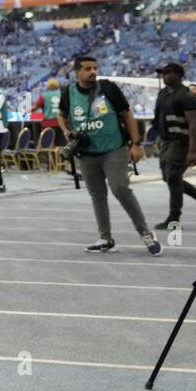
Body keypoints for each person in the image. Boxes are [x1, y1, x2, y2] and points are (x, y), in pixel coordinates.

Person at [57, 55, 161, 255]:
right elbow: (61, 114)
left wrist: (136, 144)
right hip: (86, 153)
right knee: (97, 195)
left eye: (95, 68)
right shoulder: (68, 92)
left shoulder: (108, 88)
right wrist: (66, 131)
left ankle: (145, 232)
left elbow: (127, 114)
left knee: (120, 189)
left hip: (114, 148)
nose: (93, 72)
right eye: (87, 68)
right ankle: (105, 238)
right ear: (77, 72)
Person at [152, 62, 196, 230]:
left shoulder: (186, 96)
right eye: (163, 73)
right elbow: (159, 118)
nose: (164, 76)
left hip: (180, 142)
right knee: (170, 178)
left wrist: (192, 151)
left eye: (168, 73)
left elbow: (193, 124)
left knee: (173, 178)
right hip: (166, 142)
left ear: (178, 75)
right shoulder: (162, 94)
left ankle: (174, 220)